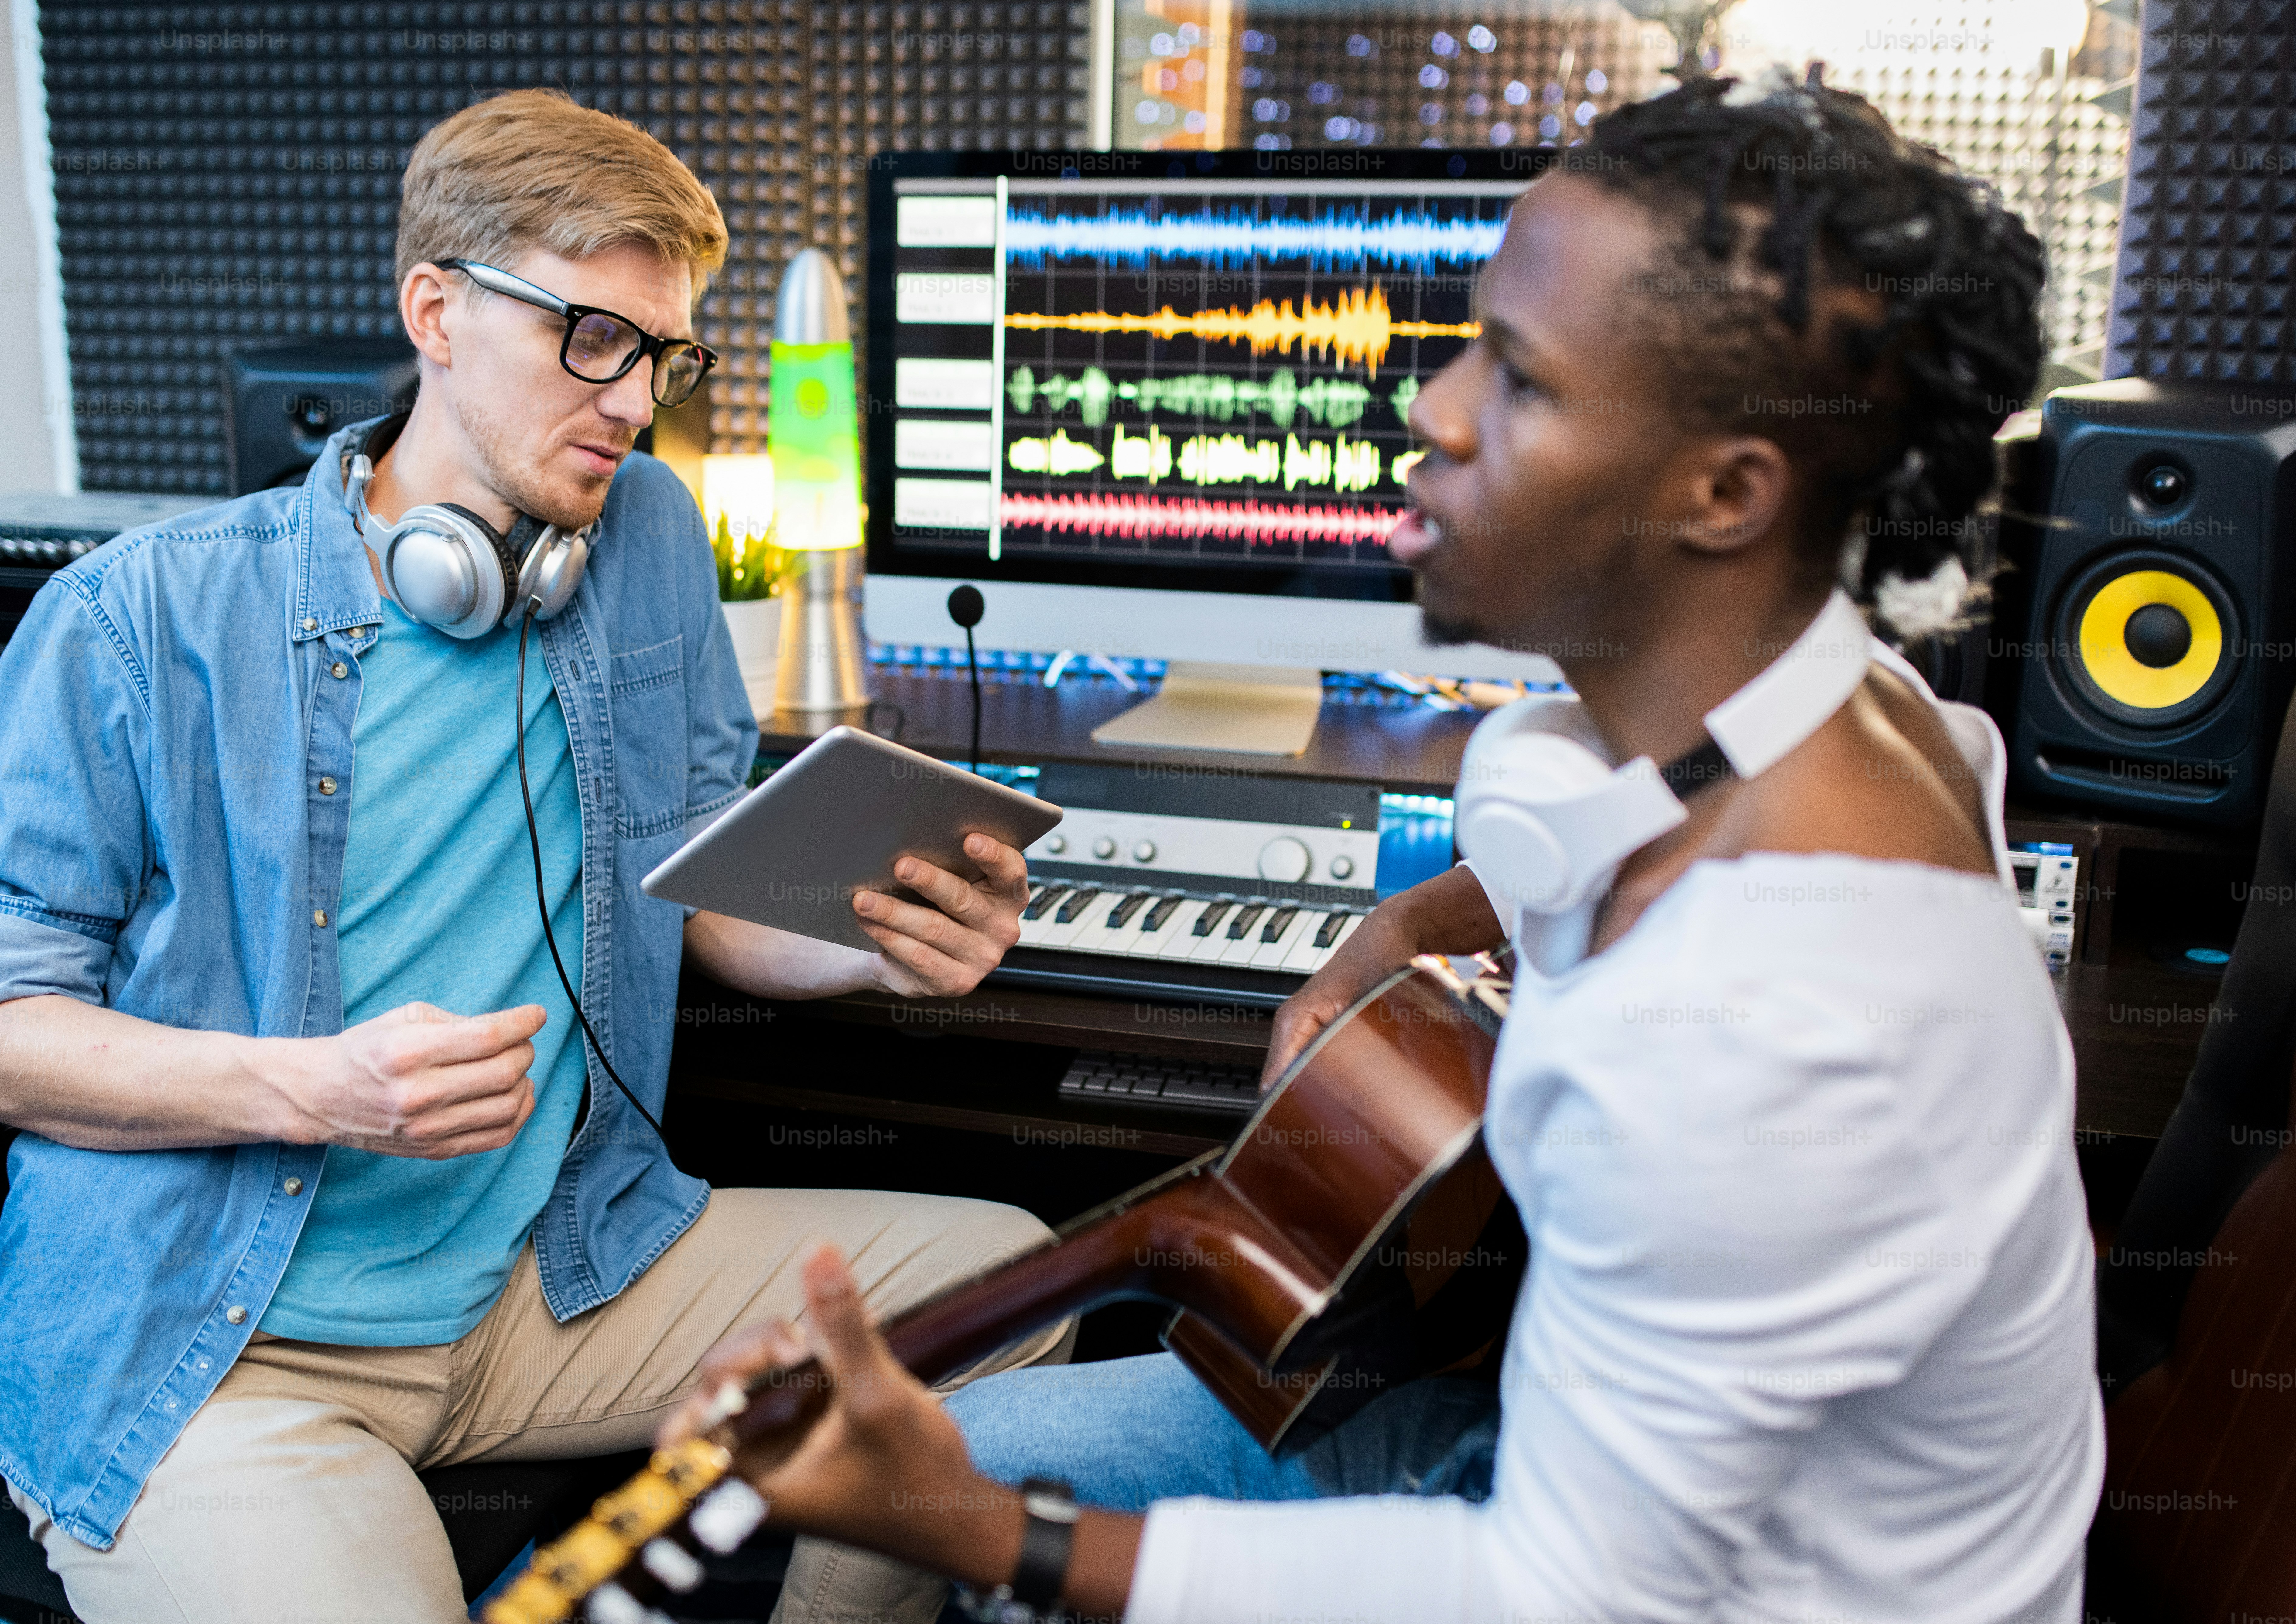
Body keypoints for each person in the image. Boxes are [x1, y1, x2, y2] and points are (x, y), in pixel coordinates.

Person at [662, 72, 2101, 1624]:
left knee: (937, 1493)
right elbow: (1653, 797)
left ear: (1725, 491)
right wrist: (1406, 921)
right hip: (1591, 1459)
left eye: (1524, 381)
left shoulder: (1756, 1035)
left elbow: (1545, 1592)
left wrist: (976, 1530)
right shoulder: (1862, 708)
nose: (1431, 406)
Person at [0, 88, 1067, 1624]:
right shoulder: (139, 615)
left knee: (1002, 1290)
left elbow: (703, 887)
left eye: (660, 353)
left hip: (554, 1271)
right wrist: (317, 1085)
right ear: (436, 312)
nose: (635, 399)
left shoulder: (643, 534)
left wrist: (874, 935)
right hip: (223, 1344)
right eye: (591, 336)